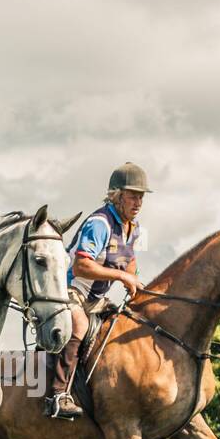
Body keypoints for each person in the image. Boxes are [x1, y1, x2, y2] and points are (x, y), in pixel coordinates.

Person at [44, 162, 150, 419]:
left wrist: (137, 284)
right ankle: (57, 395)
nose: (138, 202)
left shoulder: (133, 228)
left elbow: (130, 261)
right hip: (68, 291)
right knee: (79, 325)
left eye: (141, 197)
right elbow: (81, 266)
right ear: (117, 195)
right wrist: (122, 276)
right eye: (132, 196)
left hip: (97, 299)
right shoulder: (99, 223)